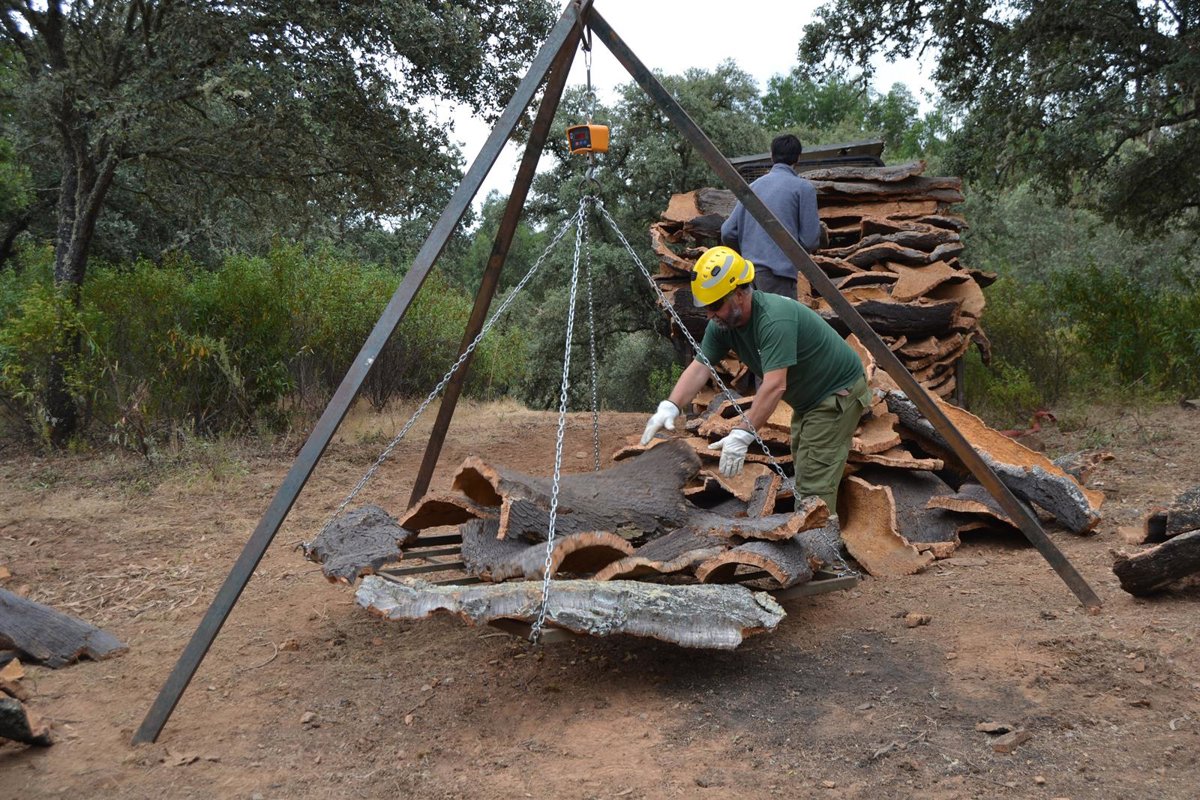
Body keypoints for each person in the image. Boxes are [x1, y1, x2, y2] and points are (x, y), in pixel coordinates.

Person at [641, 246, 871, 514]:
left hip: (837, 394)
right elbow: (699, 368)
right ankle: (822, 530)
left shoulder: (773, 320)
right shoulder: (722, 325)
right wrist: (670, 405)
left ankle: (821, 549)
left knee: (813, 486)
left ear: (739, 293)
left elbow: (774, 385)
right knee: (808, 465)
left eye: (715, 305)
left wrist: (742, 433)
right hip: (809, 400)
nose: (709, 315)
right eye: (706, 307)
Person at [719, 133, 821, 300]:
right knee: (780, 325)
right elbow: (810, 240)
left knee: (756, 326)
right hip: (779, 276)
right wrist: (786, 255)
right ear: (798, 158)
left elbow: (727, 231)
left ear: (772, 156)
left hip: (747, 277)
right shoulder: (803, 188)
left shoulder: (752, 187)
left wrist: (747, 251)